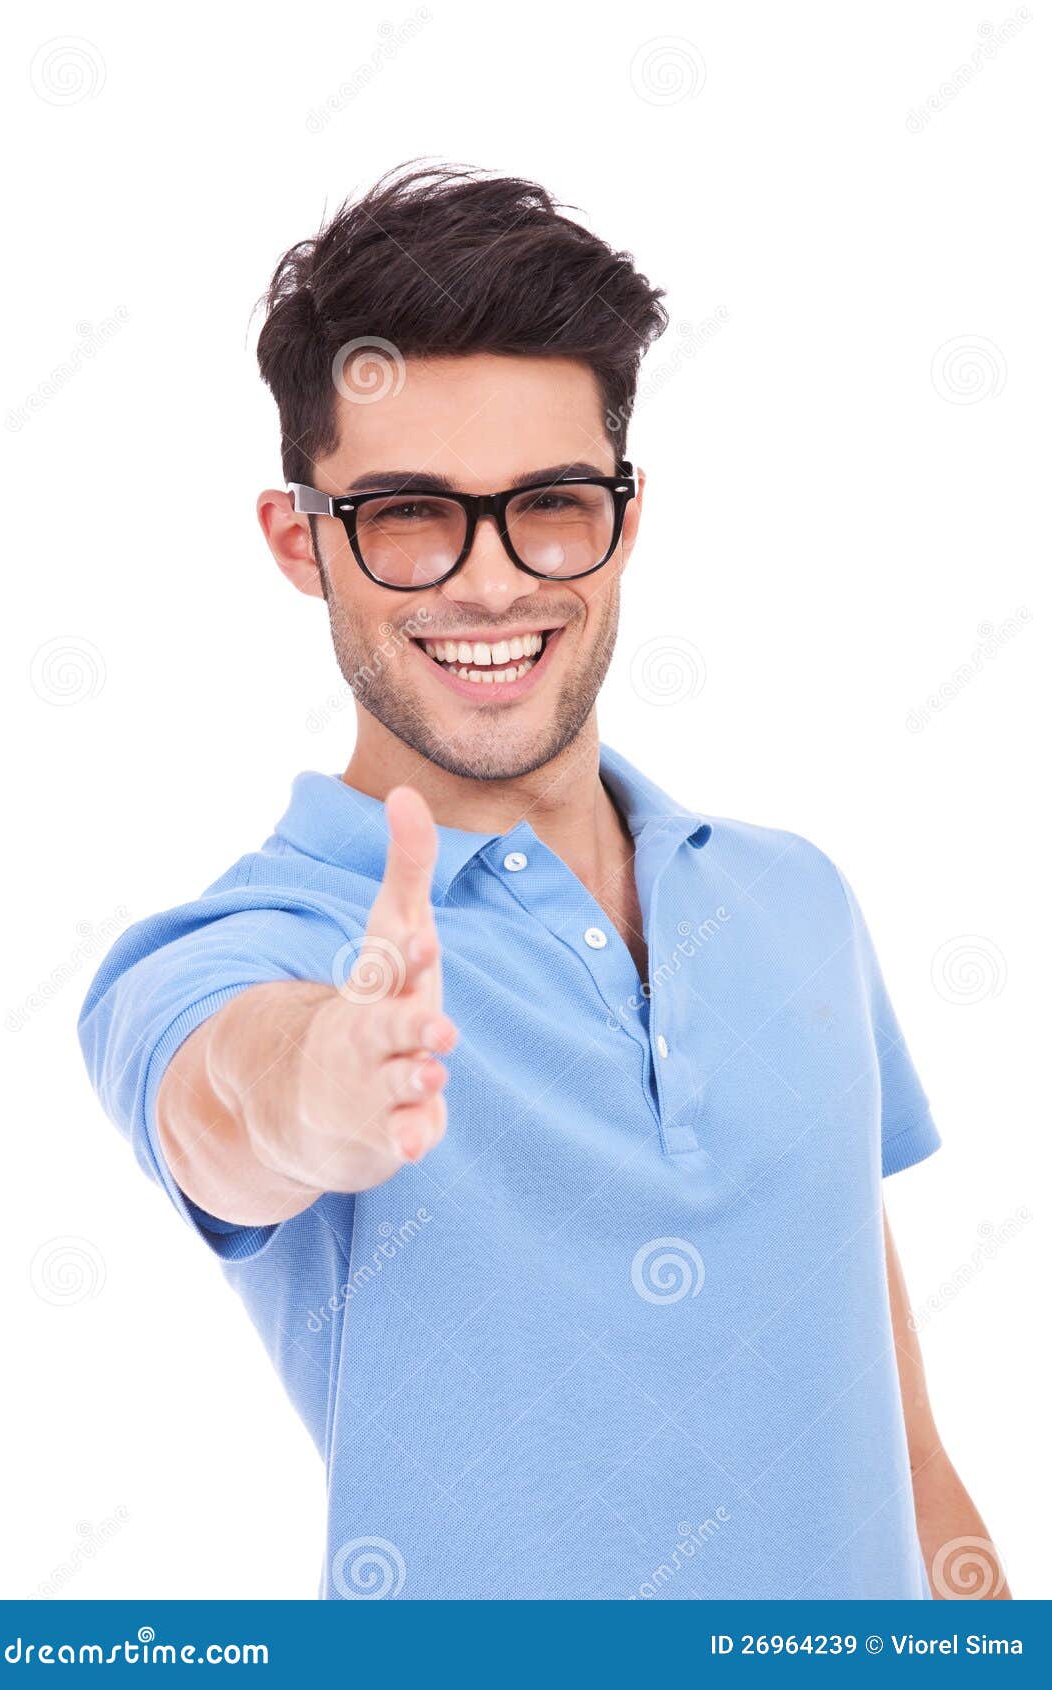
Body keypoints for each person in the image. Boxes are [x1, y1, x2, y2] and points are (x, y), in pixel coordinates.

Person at [79, 164, 1008, 1602]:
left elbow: (901, 1435)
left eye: (551, 506)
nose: (492, 582)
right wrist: (326, 1082)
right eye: (405, 515)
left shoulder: (797, 900)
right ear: (298, 541)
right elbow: (225, 1106)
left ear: (624, 519)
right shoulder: (245, 948)